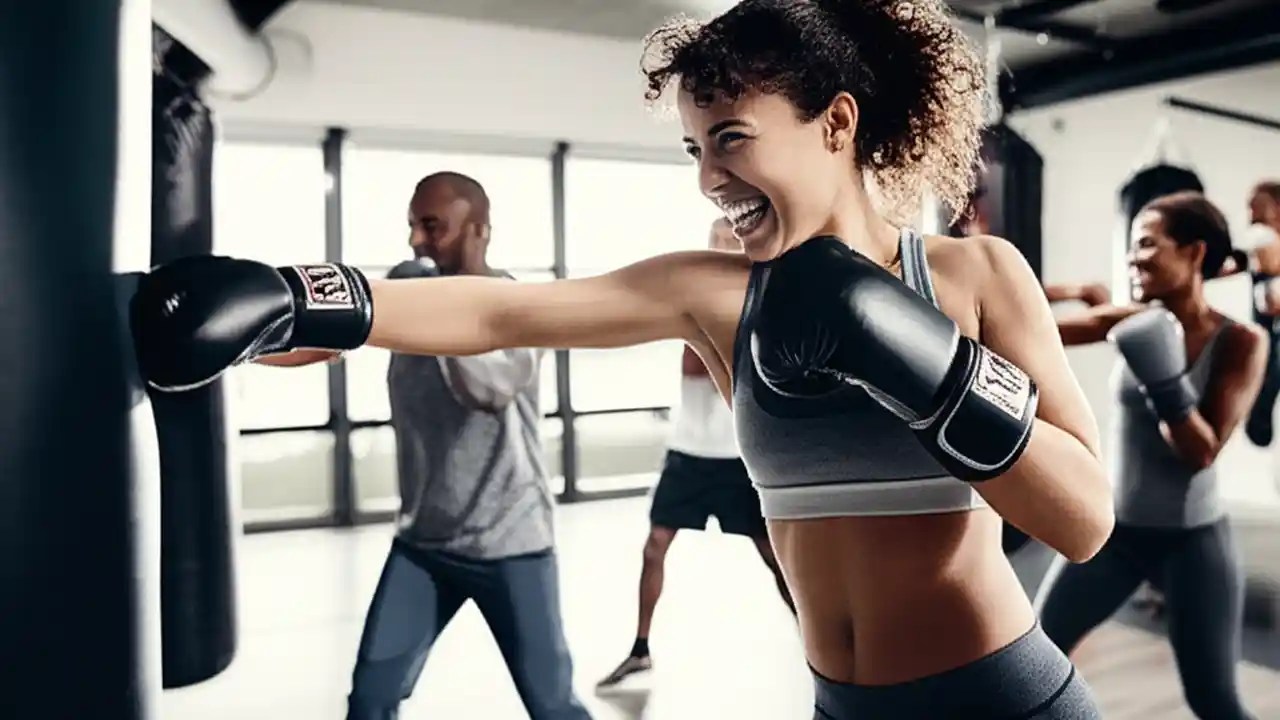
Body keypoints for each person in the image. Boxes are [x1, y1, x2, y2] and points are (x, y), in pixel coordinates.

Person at [131, 2, 1116, 717]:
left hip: (1005, 698)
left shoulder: (974, 274)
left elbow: (1081, 522)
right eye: (693, 150)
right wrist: (303, 296)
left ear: (836, 123)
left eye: (730, 139)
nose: (709, 179)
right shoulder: (717, 296)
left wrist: (928, 368)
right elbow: (505, 311)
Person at [346, 172, 591, 720]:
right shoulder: (411, 285)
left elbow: (489, 391)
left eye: (432, 226)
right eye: (413, 226)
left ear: (478, 230)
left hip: (511, 541)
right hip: (423, 542)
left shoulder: (517, 307)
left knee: (552, 706)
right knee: (370, 697)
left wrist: (442, 307)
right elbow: (347, 321)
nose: (416, 240)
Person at [1041, 190, 1264, 720]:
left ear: (1194, 252)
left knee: (1213, 700)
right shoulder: (1131, 319)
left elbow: (1200, 452)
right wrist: (1073, 290)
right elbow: (1031, 327)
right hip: (1116, 535)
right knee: (1035, 655)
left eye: (1146, 243)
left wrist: (1164, 380)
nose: (1132, 257)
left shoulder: (1241, 342)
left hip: (1192, 544)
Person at [595, 218, 793, 692]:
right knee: (654, 546)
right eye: (715, 241)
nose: (721, 248)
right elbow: (694, 365)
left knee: (776, 558)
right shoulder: (697, 306)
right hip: (689, 452)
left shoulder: (760, 306)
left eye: (729, 242)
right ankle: (640, 650)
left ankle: (820, 641)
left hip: (737, 458)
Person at [1219, 181, 1280, 445]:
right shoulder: (1257, 241)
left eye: (1257, 205)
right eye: (1249, 206)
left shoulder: (1264, 238)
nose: (1251, 212)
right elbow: (1227, 264)